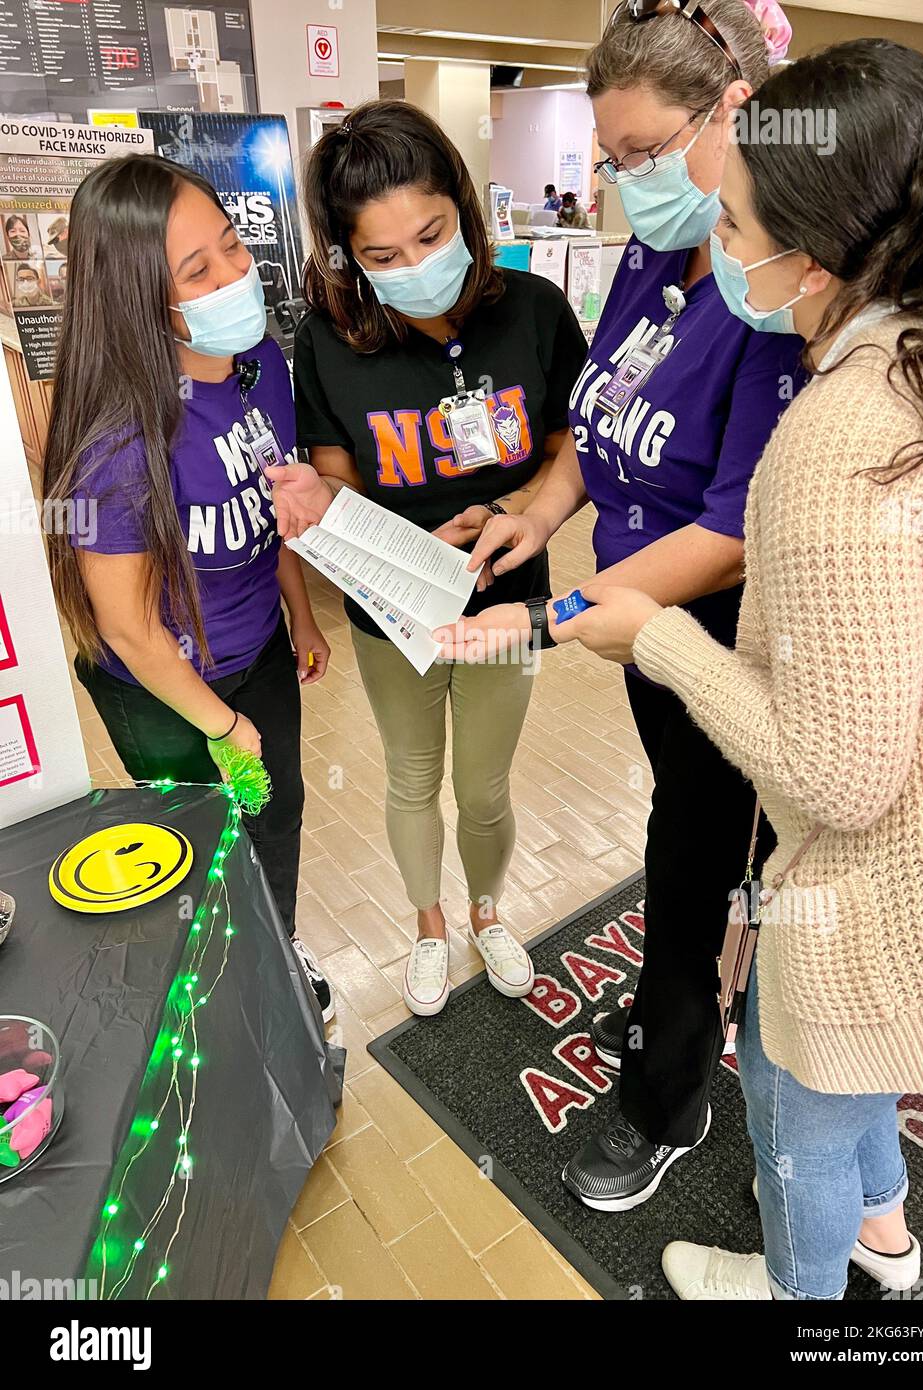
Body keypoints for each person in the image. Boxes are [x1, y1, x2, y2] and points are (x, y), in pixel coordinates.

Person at [551, 39, 923, 1300]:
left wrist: (657, 636)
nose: (715, 243)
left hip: (860, 888)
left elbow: (837, 777)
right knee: (857, 1084)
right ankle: (887, 1245)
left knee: (794, 1107)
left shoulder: (839, 431)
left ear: (819, 243)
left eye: (731, 218)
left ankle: (809, 1300)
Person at [436, 0, 802, 1209]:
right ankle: (671, 1009)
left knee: (697, 860)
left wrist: (557, 610)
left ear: (731, 115)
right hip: (644, 645)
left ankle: (669, 1099)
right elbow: (599, 429)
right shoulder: (653, 256)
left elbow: (729, 529)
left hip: (722, 652)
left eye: (648, 153)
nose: (627, 181)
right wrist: (536, 517)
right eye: (615, 158)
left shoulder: (766, 292)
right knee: (677, 841)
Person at [271, 100, 589, 1018]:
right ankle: (429, 927)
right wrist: (390, 539)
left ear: (463, 209)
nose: (414, 268)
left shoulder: (533, 311)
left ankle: (490, 913)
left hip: (505, 602)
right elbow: (335, 489)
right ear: (345, 255)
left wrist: (522, 511)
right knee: (412, 778)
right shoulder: (328, 340)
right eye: (381, 256)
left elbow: (572, 441)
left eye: (431, 235)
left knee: (483, 784)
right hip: (393, 608)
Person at [42, 153, 334, 1018]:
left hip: (259, 654)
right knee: (198, 854)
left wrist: (302, 616)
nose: (234, 275)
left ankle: (274, 966)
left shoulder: (261, 369)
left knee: (275, 822)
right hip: (161, 690)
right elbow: (127, 629)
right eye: (195, 269)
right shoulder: (119, 438)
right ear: (138, 297)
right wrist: (224, 723)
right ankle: (214, 1003)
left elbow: (278, 500)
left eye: (233, 246)